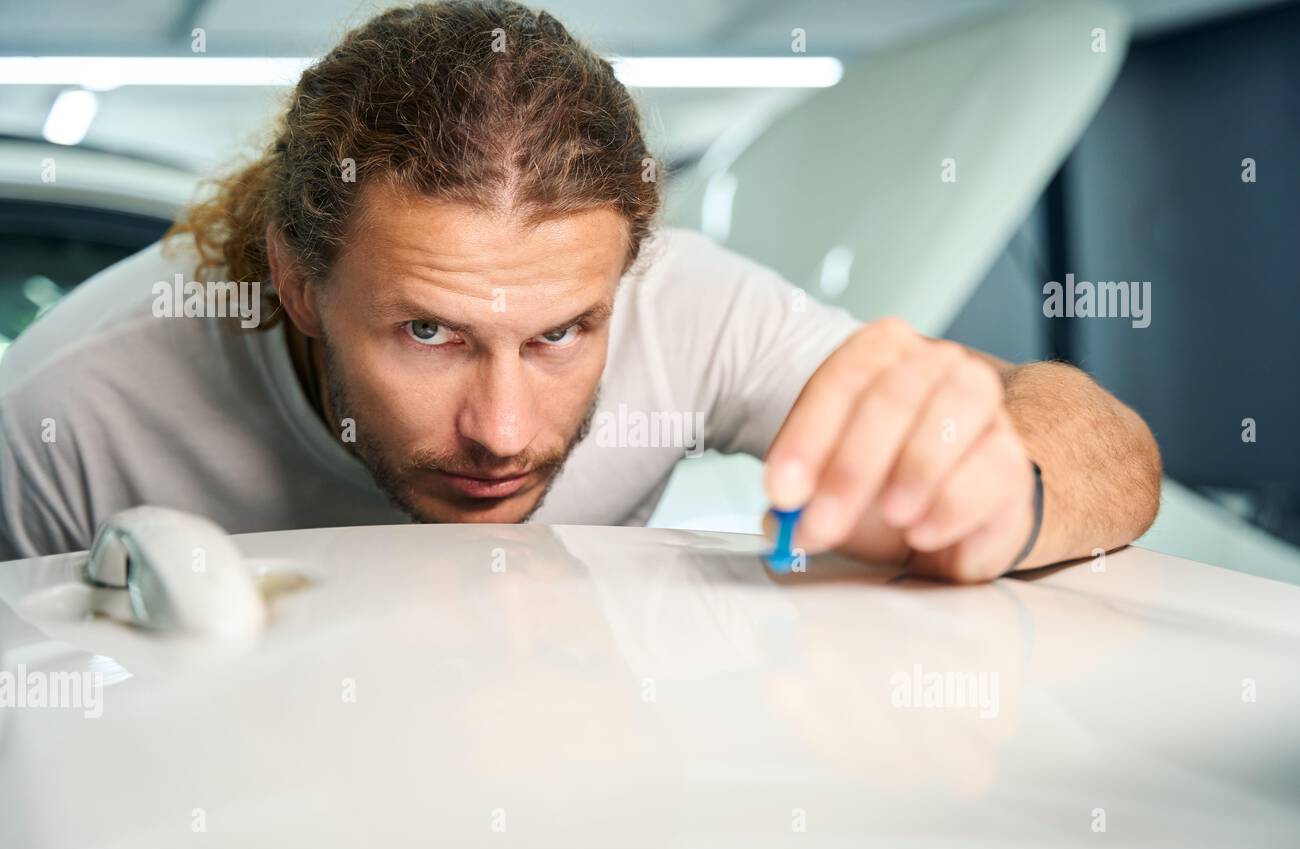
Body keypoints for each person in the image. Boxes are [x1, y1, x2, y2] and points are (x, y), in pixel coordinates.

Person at [0, 0, 1161, 582]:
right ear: (297, 282)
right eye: (429, 331)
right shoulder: (72, 407)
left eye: (563, 332)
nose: (503, 432)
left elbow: (1104, 444)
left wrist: (1004, 487)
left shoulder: (682, 299)